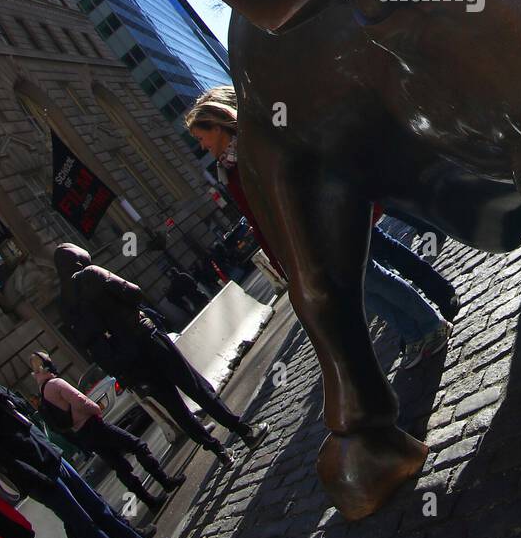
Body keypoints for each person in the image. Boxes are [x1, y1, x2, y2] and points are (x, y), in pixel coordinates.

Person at [185, 87, 454, 370]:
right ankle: (414, 335)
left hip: (325, 224)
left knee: (372, 278)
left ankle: (430, 325)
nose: (202, 146)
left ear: (217, 126)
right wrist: (283, 262)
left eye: (200, 138)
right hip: (299, 243)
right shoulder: (228, 168)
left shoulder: (260, 145)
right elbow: (260, 219)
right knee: (358, 292)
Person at [54, 244, 268, 470]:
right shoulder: (91, 274)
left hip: (129, 364)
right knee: (195, 387)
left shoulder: (64, 304)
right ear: (79, 261)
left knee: (175, 408)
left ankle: (219, 452)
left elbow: (86, 341)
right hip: (146, 338)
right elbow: (134, 293)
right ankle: (245, 432)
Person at [0, 385, 163, 538]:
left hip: (51, 455)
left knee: (99, 508)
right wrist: (36, 477)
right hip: (37, 475)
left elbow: (24, 411)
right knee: (86, 525)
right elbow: (5, 459)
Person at [29, 351, 183, 513]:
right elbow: (80, 400)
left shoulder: (44, 391)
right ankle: (165, 482)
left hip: (83, 434)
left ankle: (150, 501)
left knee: (119, 465)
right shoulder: (56, 384)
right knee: (137, 445)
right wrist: (96, 409)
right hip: (93, 425)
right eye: (49, 360)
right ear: (45, 365)